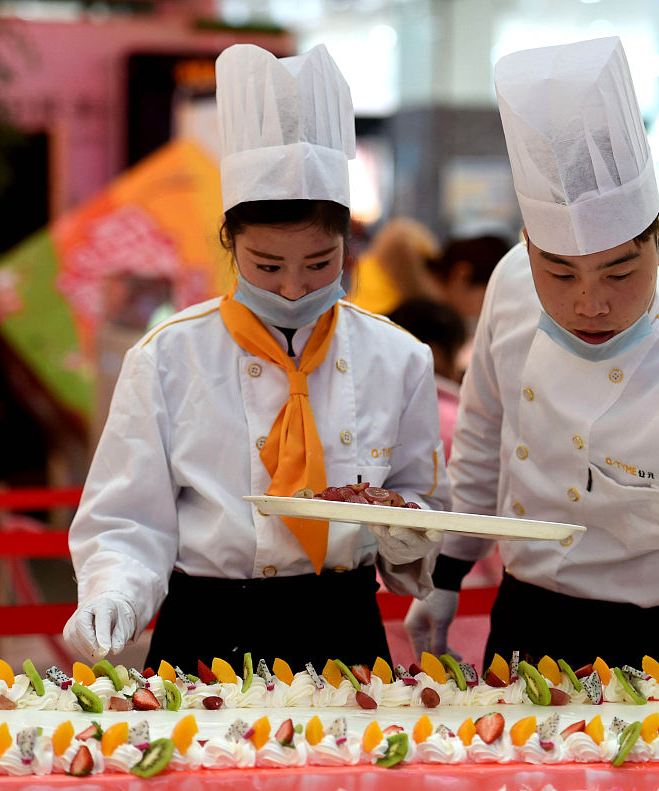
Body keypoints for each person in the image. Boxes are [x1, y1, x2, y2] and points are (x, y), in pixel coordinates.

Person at [403, 37, 659, 723]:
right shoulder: (510, 287)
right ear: (528, 247)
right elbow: (484, 435)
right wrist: (447, 574)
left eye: (618, 272)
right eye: (560, 273)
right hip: (528, 621)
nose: (590, 302)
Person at [64, 44, 448, 672]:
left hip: (343, 626)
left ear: (349, 243)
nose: (294, 289)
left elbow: (417, 499)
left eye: (320, 264)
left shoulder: (398, 357)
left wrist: (410, 537)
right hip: (206, 627)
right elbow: (128, 519)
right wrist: (113, 596)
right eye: (267, 266)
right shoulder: (167, 357)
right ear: (230, 243)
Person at [387, 298, 467, 459]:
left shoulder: (377, 398)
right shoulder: (456, 420)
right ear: (435, 353)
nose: (459, 368)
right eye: (458, 351)